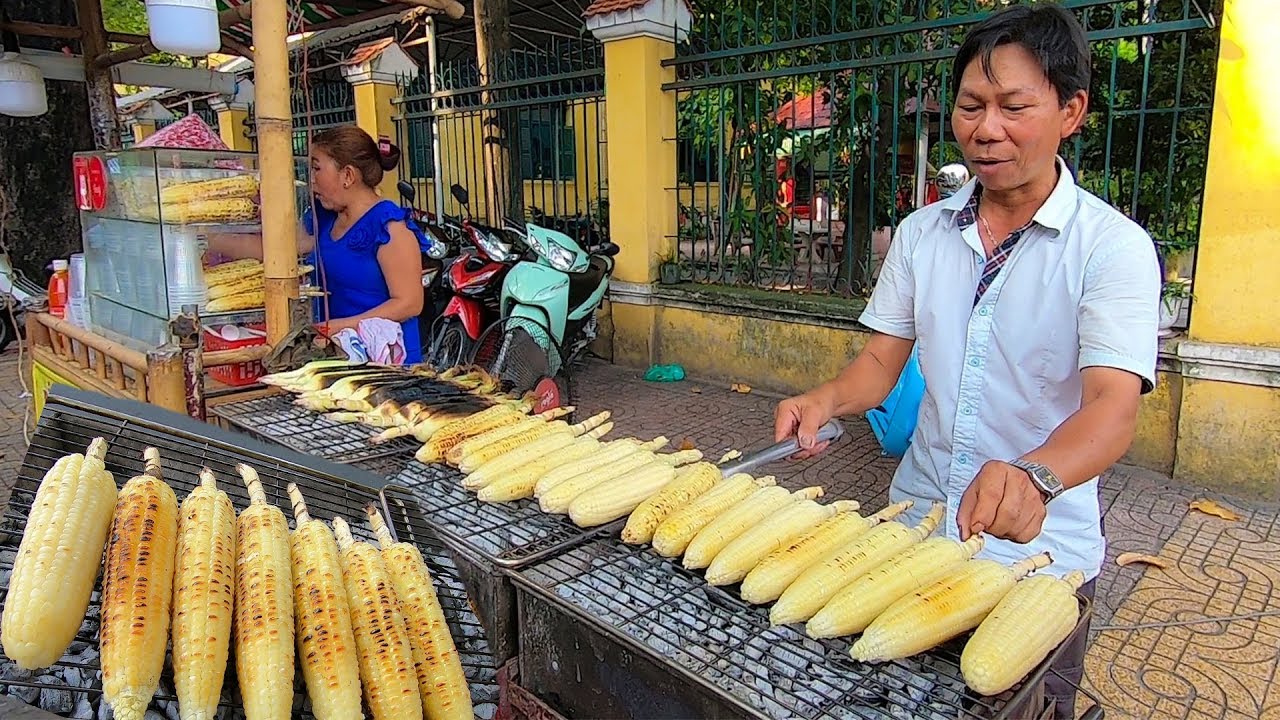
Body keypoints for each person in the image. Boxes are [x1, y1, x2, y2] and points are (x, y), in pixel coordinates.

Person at [773, 4, 1159, 719]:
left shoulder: (1112, 249)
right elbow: (881, 361)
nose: (986, 129)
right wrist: (825, 399)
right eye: (972, 106)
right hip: (913, 530)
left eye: (1014, 107)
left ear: (1071, 111)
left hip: (1037, 555)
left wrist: (1036, 475)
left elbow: (1112, 408)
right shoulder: (922, 234)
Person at [208, 126, 432, 363]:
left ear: (347, 175)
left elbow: (409, 304)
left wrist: (338, 327)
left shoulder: (389, 226)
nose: (311, 181)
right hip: (335, 353)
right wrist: (208, 238)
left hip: (384, 362)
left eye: (316, 169)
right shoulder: (324, 217)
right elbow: (274, 250)